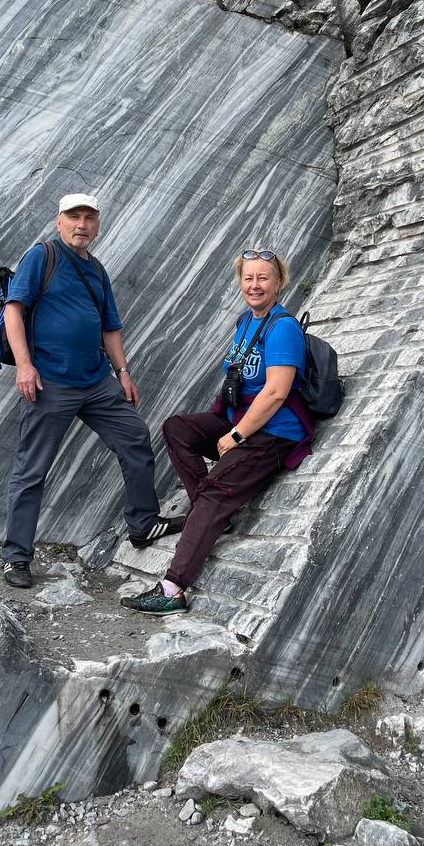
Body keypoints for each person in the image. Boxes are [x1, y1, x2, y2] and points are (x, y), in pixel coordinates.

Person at [0, 194, 183, 587]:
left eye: (89, 218)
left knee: (135, 437)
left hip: (97, 381)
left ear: (97, 225)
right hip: (50, 381)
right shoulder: (41, 256)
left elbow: (109, 326)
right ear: (59, 221)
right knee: (32, 469)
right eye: (74, 217)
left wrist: (123, 372)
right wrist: (25, 366)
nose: (81, 224)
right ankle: (16, 557)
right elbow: (13, 310)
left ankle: (143, 523)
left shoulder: (96, 269)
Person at [122, 248, 313, 614]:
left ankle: (172, 589)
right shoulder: (247, 321)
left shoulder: (283, 327)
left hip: (272, 433)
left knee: (213, 492)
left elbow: (275, 392)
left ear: (278, 283)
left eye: (263, 278)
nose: (255, 285)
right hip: (241, 418)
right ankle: (207, 516)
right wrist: (230, 427)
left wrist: (236, 436)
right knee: (177, 428)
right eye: (248, 278)